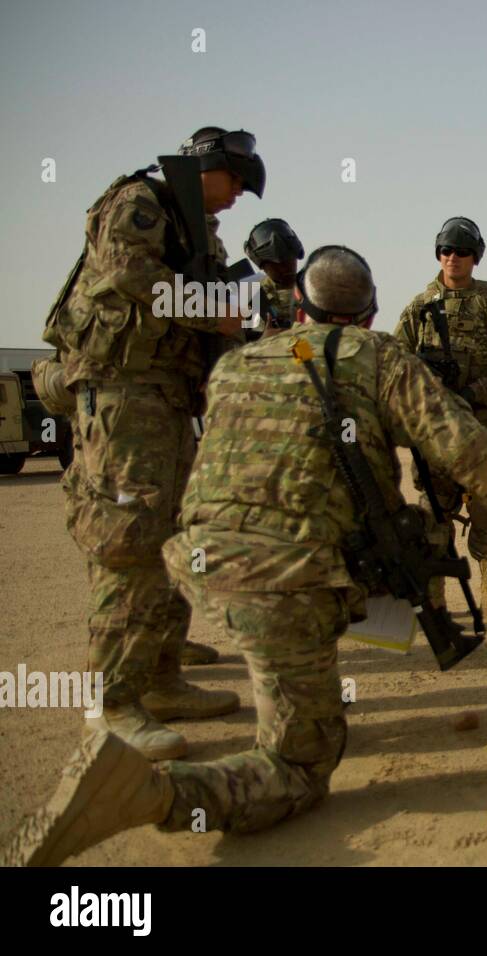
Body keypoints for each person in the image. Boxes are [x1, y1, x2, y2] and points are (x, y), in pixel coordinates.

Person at [5, 245, 487, 867]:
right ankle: (150, 794)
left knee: (400, 549)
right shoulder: (379, 357)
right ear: (371, 312)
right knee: (299, 765)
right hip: (284, 582)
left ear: (297, 307)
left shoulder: (237, 365)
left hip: (201, 563)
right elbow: (466, 450)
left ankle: (316, 658)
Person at [34, 127, 266, 759]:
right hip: (121, 394)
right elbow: (133, 276)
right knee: (129, 543)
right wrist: (214, 307)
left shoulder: (200, 231)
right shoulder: (139, 203)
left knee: (170, 538)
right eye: (235, 183)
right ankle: (113, 706)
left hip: (165, 397)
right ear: (208, 168)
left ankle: (161, 679)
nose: (237, 198)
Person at [393, 217, 487, 622]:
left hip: (483, 430)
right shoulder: (419, 308)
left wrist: (472, 394)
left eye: (462, 251)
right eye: (446, 250)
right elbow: (395, 369)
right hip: (435, 435)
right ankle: (434, 601)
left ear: (476, 257)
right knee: (433, 519)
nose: (453, 258)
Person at [244, 218, 304, 339]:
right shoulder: (253, 300)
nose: (284, 268)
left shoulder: (315, 289)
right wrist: (262, 342)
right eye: (276, 265)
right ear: (263, 266)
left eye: (288, 261)